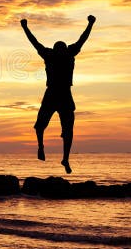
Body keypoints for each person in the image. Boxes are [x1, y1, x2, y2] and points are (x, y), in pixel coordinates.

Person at [20, 15, 95, 174]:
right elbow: (35, 42)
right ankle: (43, 148)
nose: (61, 49)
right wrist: (25, 28)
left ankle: (65, 158)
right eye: (59, 48)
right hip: (55, 94)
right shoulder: (58, 54)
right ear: (56, 50)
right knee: (42, 126)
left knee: (67, 130)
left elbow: (83, 39)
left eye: (62, 47)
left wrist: (90, 24)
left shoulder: (60, 54)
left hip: (60, 95)